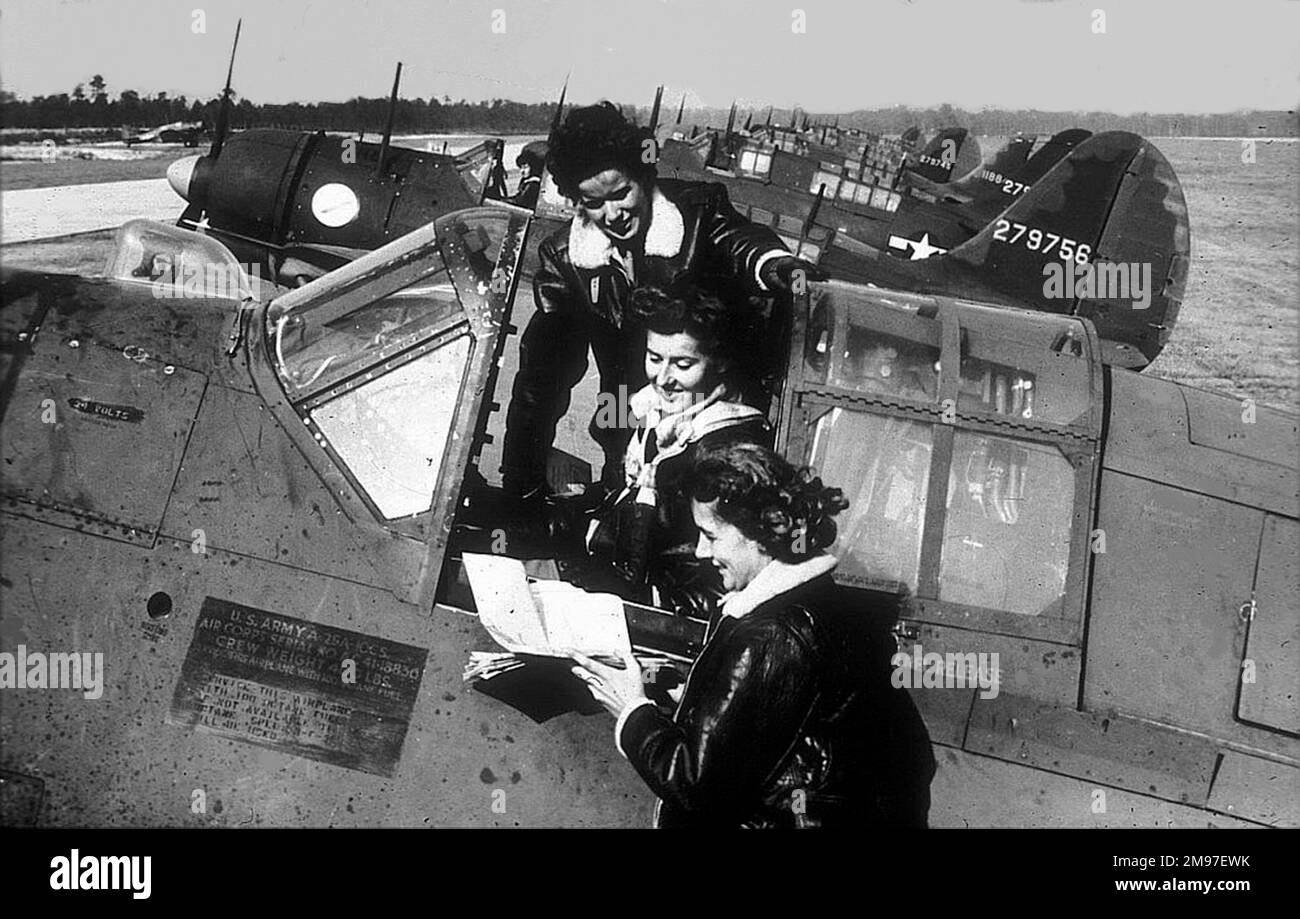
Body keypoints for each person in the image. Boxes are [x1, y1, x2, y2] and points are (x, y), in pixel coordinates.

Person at [570, 442, 937, 828]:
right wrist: (694, 696)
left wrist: (631, 709)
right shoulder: (826, 602)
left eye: (710, 536)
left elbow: (695, 785)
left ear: (766, 529)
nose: (698, 551)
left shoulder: (774, 634)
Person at [500, 102, 818, 504]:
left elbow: (739, 242)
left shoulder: (698, 212)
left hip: (714, 422)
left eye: (621, 193)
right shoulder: (565, 259)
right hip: (628, 423)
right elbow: (541, 380)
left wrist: (775, 266)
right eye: (593, 203)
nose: (612, 214)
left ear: (643, 175)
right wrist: (520, 482)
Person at [567, 282, 772, 614]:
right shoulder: (658, 404)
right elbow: (599, 425)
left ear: (718, 362)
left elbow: (717, 578)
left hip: (651, 599)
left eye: (682, 364)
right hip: (612, 566)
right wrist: (634, 404)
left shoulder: (725, 443)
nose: (662, 378)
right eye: (654, 358)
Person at [504, 141, 546, 210]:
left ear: (533, 167)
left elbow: (519, 203)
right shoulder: (528, 182)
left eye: (525, 167)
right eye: (521, 167)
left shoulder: (533, 184)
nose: (522, 171)